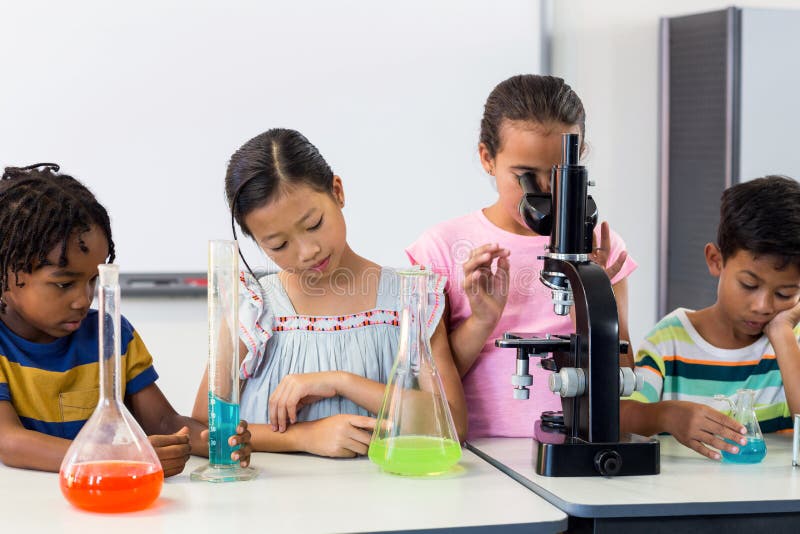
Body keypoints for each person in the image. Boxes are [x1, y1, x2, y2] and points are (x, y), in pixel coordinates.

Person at [193, 128, 467, 458]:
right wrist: (303, 437)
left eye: (314, 224)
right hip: (273, 503)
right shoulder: (252, 309)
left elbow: (451, 424)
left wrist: (341, 381)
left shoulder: (411, 300)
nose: (307, 251)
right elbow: (203, 428)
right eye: (279, 245)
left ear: (337, 192)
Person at [406, 74, 636, 439]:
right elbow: (425, 381)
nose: (543, 193)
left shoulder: (603, 249)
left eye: (557, 176)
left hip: (576, 442)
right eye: (526, 177)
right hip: (480, 451)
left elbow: (622, 379)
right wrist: (481, 321)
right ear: (487, 158)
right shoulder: (441, 247)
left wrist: (593, 300)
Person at [0, 163, 251, 476]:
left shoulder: (113, 334)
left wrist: (217, 441)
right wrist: (119, 457)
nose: (83, 299)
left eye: (93, 280)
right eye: (64, 283)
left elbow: (163, 423)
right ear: (6, 274)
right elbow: (10, 442)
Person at [621, 176, 800, 460]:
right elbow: (622, 416)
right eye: (749, 285)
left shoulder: (792, 344)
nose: (763, 306)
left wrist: (782, 335)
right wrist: (666, 415)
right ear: (716, 260)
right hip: (686, 501)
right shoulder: (671, 341)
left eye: (785, 293)